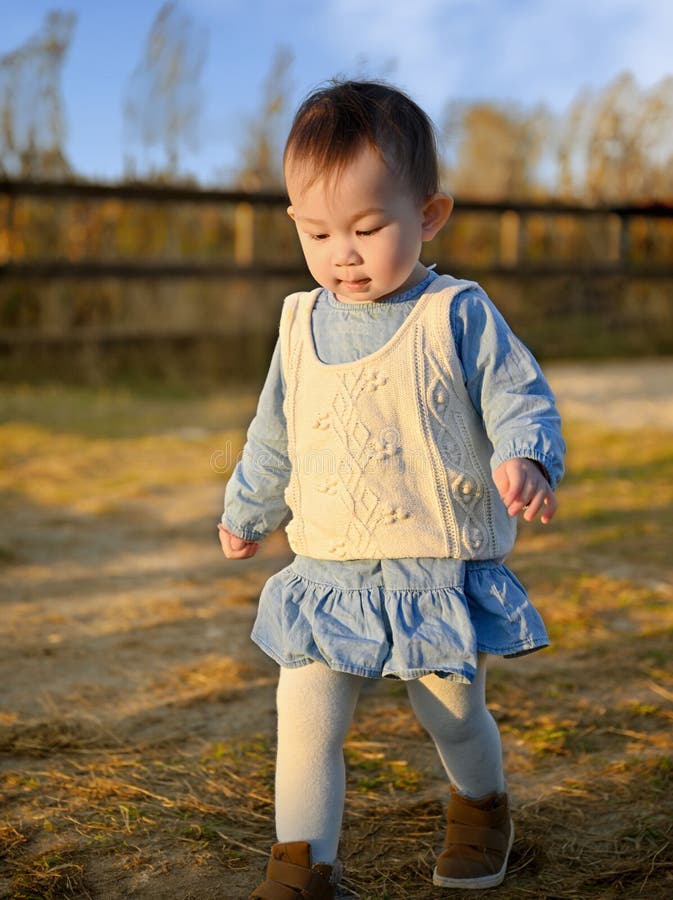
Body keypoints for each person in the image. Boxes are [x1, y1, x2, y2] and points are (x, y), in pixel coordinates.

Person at [218, 80, 565, 899]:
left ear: (428, 215)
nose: (342, 251)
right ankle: (301, 870)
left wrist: (525, 455)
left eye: (369, 228)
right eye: (317, 231)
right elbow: (276, 429)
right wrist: (248, 507)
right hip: (327, 572)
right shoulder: (298, 323)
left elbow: (519, 394)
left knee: (449, 713)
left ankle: (481, 809)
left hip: (431, 572)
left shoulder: (456, 312)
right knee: (304, 723)